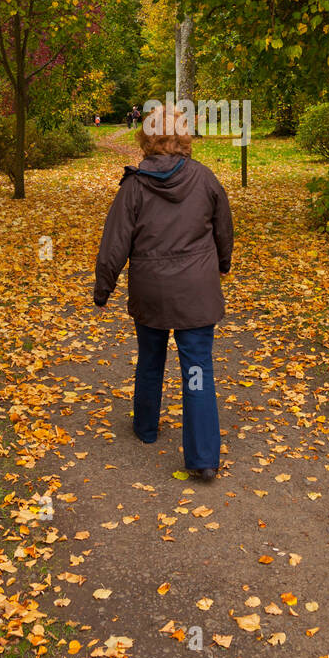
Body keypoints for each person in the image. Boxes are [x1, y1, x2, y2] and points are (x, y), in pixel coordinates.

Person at [93, 108, 233, 480]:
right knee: (198, 370)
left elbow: (114, 244)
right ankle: (203, 458)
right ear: (184, 137)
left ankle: (146, 428)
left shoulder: (134, 186)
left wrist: (102, 288)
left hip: (151, 291)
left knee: (150, 358)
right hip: (196, 292)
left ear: (147, 139)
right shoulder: (204, 178)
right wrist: (223, 262)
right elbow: (224, 226)